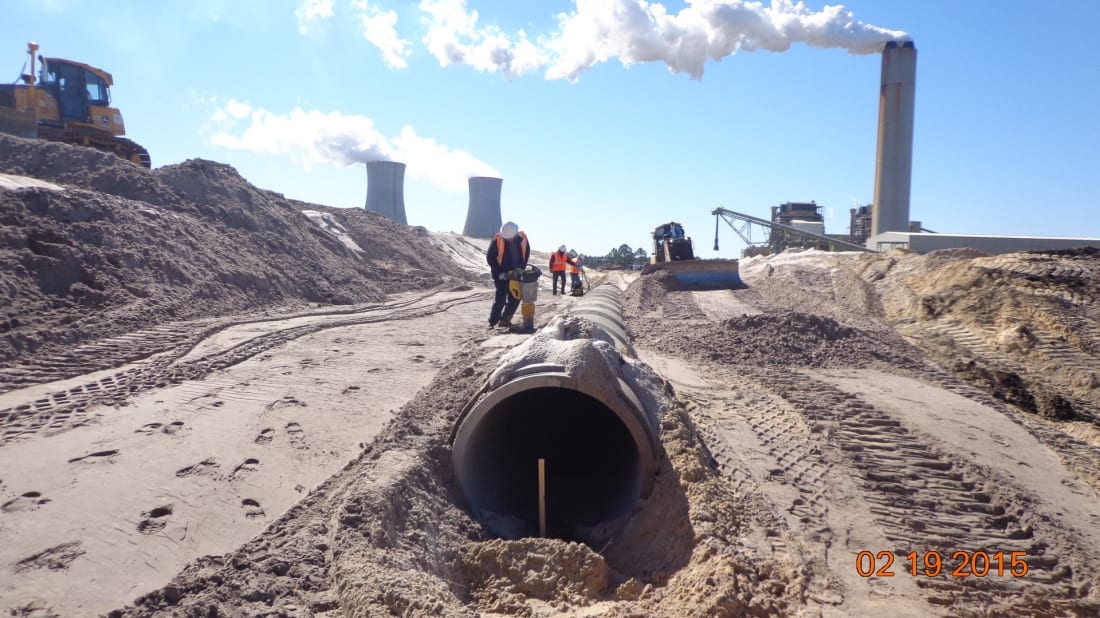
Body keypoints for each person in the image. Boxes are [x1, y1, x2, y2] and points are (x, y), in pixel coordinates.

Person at [486, 221, 530, 328]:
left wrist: (521, 268)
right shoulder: (497, 241)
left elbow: (526, 253)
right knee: (500, 298)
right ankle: (492, 321)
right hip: (501, 275)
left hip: (516, 274)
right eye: (507, 237)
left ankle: (505, 320)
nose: (508, 239)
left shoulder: (522, 239)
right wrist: (499, 273)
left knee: (516, 297)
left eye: (510, 237)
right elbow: (490, 258)